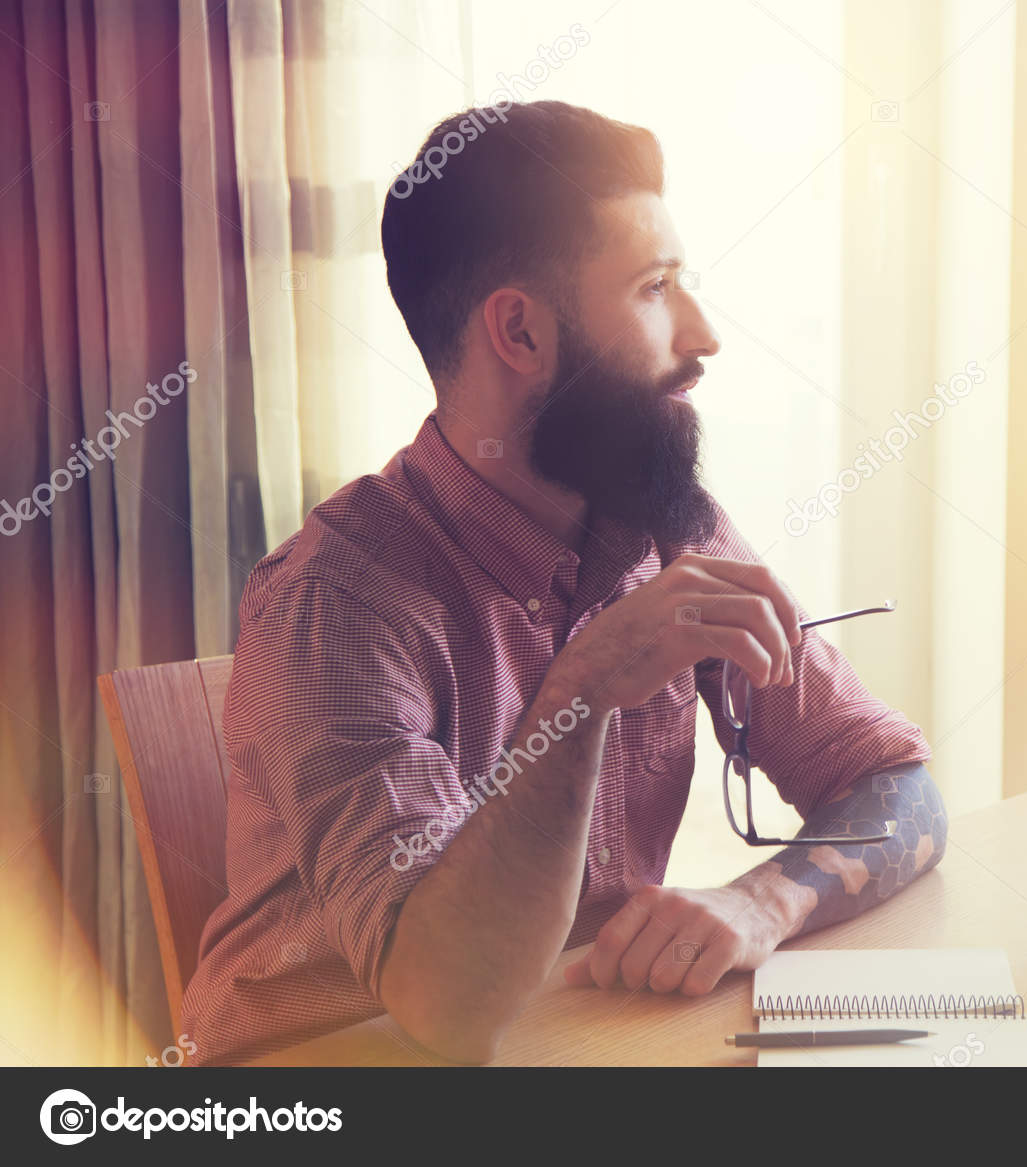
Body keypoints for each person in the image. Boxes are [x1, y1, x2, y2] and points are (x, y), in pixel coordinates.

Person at [181, 101, 946, 1064]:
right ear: (521, 332)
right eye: (656, 287)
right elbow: (446, 1003)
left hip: (574, 1041)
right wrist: (582, 690)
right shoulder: (335, 604)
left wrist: (763, 899)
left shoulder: (667, 526)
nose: (703, 334)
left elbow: (899, 787)